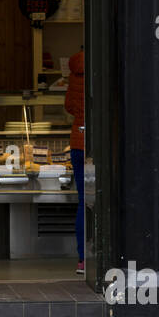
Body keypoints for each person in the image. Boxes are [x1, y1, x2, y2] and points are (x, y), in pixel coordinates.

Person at [64, 49, 85, 275]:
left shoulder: (74, 72)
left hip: (77, 143)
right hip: (98, 144)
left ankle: (83, 260)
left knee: (83, 202)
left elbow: (69, 106)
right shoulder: (104, 68)